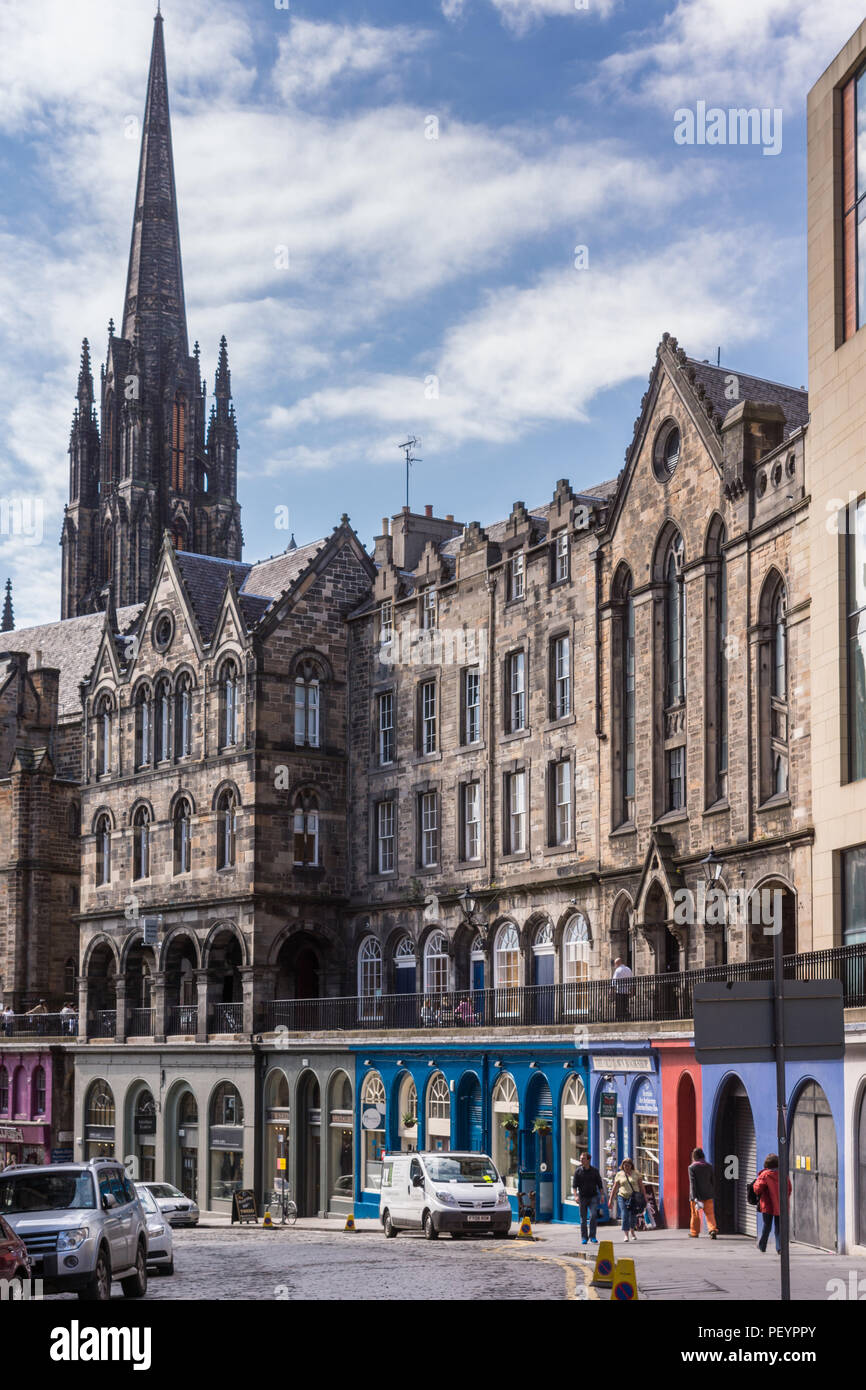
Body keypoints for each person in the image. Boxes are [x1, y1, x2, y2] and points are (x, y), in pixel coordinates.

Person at [753, 1153, 791, 1254]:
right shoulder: (783, 1174)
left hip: (768, 1205)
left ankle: (762, 1245)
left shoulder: (764, 1175)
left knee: (767, 1226)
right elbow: (789, 1188)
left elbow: (757, 1189)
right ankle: (779, 1248)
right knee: (779, 1227)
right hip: (781, 1205)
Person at [608, 1156, 646, 1243]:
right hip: (622, 1196)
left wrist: (644, 1197)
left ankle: (632, 1231)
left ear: (631, 1166)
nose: (626, 1167)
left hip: (633, 1198)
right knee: (624, 1214)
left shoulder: (636, 1173)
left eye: (628, 1165)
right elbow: (615, 1187)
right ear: (622, 1166)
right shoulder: (619, 1174)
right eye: (625, 1166)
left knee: (632, 1216)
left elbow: (641, 1186)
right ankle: (626, 1234)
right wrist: (611, 1199)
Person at [572, 1151, 605, 1245]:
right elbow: (574, 1186)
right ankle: (584, 1237)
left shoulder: (595, 1171)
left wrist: (602, 1195)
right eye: (580, 1159)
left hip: (593, 1196)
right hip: (582, 1197)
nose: (581, 1160)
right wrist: (575, 1196)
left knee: (593, 1215)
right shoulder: (578, 1171)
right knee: (583, 1219)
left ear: (588, 1160)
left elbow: (600, 1184)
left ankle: (593, 1236)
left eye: (583, 1158)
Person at [688, 1146, 718, 1239]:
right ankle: (712, 1229)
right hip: (708, 1194)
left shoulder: (692, 1167)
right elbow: (713, 1180)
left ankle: (694, 1232)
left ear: (694, 1156)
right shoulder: (709, 1166)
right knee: (710, 1214)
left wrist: (693, 1196)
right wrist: (712, 1191)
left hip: (696, 1195)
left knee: (695, 1214)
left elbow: (692, 1183)